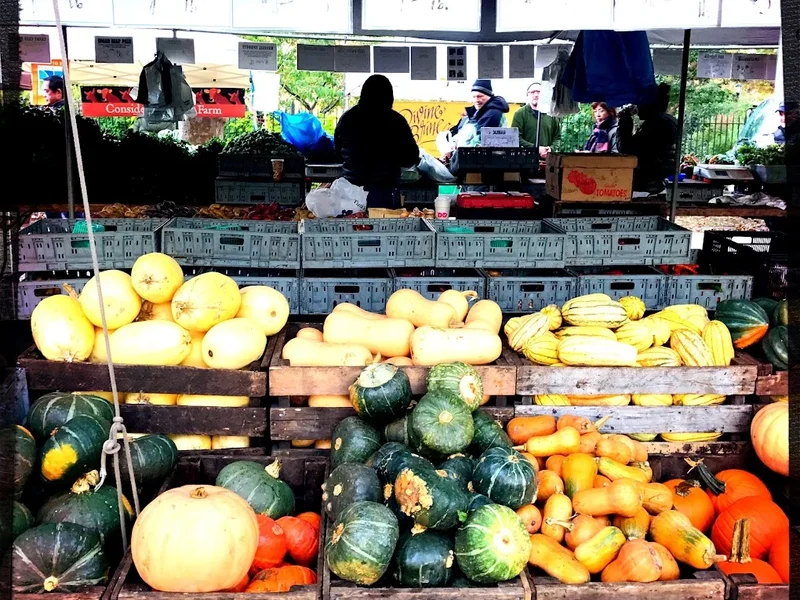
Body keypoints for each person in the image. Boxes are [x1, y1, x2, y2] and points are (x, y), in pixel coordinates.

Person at [334, 74, 419, 209]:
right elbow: (411, 157)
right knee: (385, 227)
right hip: (385, 191)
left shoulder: (347, 119)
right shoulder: (396, 121)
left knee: (352, 226)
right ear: (389, 96)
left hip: (351, 189)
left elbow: (338, 153)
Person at [618, 82, 679, 193]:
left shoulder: (657, 125)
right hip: (655, 179)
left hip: (648, 182)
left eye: (640, 103)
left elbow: (627, 149)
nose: (637, 107)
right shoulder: (665, 121)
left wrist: (624, 122)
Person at [448, 79, 510, 148]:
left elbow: (481, 140)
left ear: (489, 96)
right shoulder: (477, 111)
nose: (476, 100)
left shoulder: (493, 114)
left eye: (480, 96)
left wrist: (458, 151)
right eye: (474, 97)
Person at [511, 82, 561, 157]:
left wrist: (551, 149)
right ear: (527, 95)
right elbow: (515, 138)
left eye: (538, 92)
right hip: (525, 159)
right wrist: (535, 148)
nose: (536, 95)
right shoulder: (520, 114)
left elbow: (557, 137)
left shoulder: (551, 113)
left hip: (547, 160)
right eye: (532, 92)